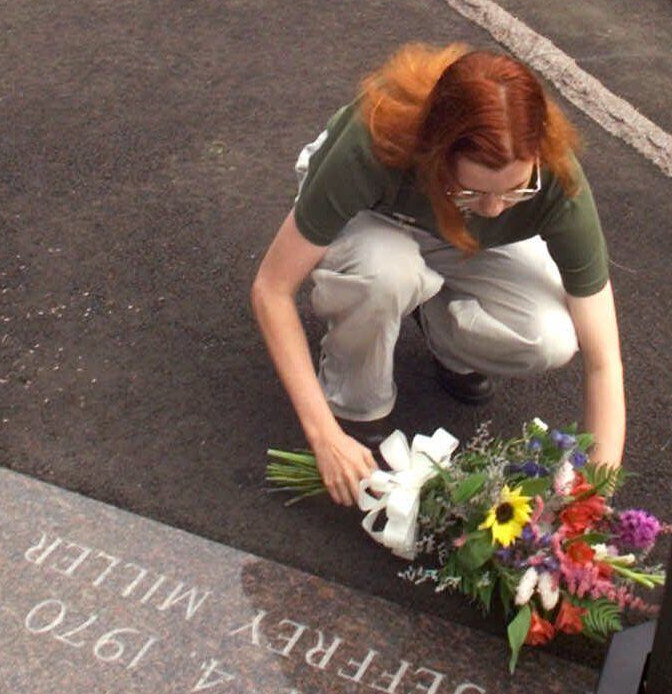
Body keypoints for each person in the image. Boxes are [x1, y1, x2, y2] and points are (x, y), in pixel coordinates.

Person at [250, 43, 626, 503]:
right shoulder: (374, 140)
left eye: (514, 191)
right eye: (473, 191)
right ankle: (357, 404)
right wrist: (324, 436)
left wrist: (591, 499)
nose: (492, 209)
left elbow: (604, 361)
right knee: (386, 274)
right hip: (377, 218)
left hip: (454, 237)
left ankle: (439, 329)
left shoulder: (556, 181)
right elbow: (271, 289)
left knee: (551, 336)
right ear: (436, 152)